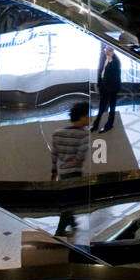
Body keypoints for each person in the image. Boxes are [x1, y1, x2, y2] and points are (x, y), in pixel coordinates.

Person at [50, 101, 90, 236]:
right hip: (75, 172)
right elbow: (82, 152)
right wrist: (77, 160)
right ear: (82, 117)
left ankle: (73, 223)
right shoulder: (84, 134)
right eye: (87, 115)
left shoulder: (58, 133)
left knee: (69, 197)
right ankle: (60, 231)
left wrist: (54, 170)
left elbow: (54, 153)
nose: (89, 118)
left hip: (63, 172)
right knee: (71, 201)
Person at [92, 45, 121, 133]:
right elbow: (100, 70)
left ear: (111, 51)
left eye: (107, 50)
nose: (105, 51)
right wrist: (99, 83)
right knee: (101, 107)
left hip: (112, 88)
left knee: (112, 107)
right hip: (103, 86)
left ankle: (109, 125)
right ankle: (95, 125)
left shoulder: (116, 61)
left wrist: (110, 60)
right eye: (105, 49)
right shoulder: (104, 57)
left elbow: (115, 74)